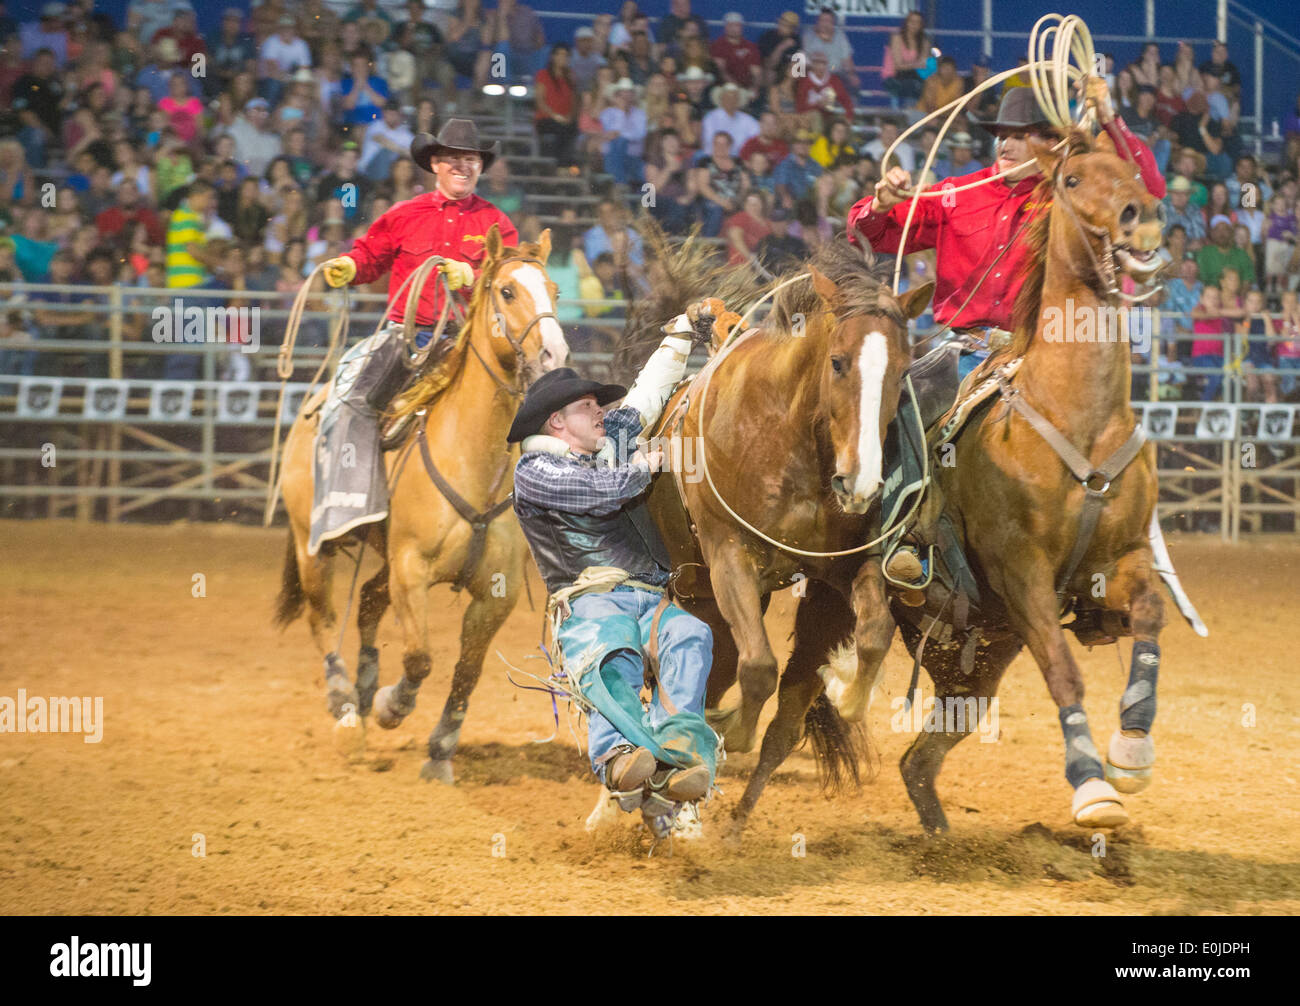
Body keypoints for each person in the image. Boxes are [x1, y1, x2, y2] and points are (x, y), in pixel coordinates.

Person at [508, 320, 717, 819]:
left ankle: (676, 752)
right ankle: (617, 755)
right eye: (587, 407)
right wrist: (650, 460)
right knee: (614, 645)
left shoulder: (608, 447)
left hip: (648, 595)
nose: (600, 411)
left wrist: (681, 337)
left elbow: (645, 397)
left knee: (692, 635)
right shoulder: (534, 471)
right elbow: (600, 494)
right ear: (557, 422)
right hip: (588, 602)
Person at [312, 119, 521, 551]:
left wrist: (473, 275)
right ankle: (351, 506)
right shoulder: (404, 214)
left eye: (472, 158)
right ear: (437, 164)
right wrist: (350, 266)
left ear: (480, 166)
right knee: (353, 400)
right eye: (454, 158)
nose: (463, 165)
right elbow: (371, 254)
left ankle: (538, 510)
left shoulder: (496, 223)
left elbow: (510, 278)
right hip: (406, 337)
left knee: (529, 406)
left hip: (466, 340)